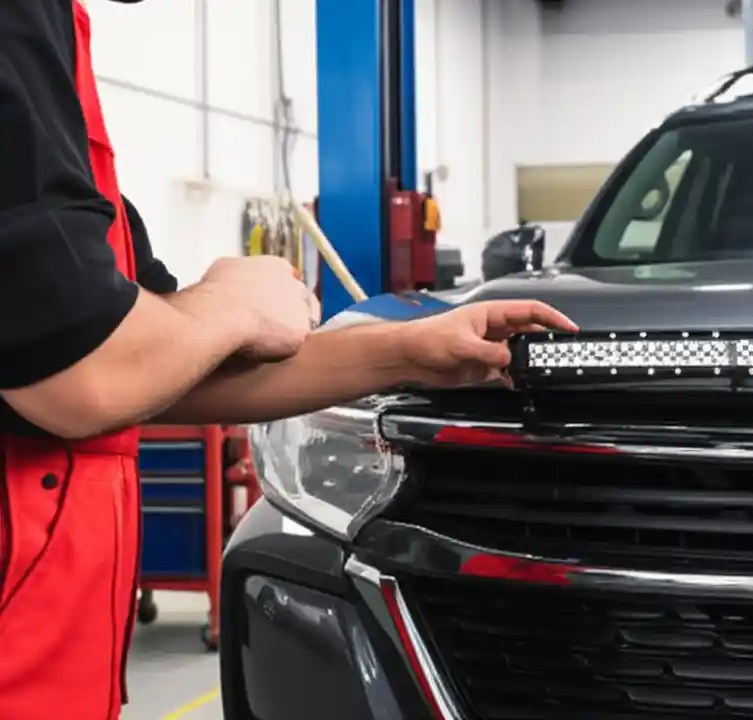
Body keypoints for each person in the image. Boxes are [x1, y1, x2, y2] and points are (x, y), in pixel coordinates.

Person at [0, 2, 577, 718]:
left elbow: (157, 364)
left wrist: (413, 352)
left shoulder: (56, 62)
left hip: (58, 653)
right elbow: (86, 370)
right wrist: (232, 305)